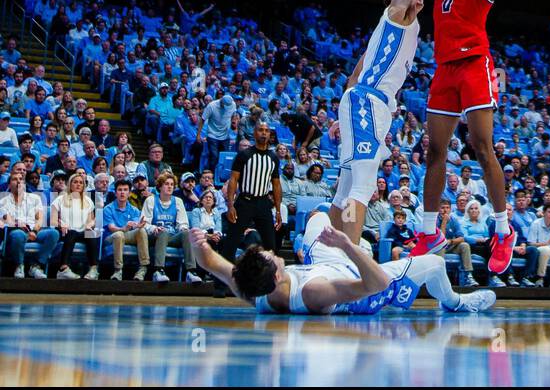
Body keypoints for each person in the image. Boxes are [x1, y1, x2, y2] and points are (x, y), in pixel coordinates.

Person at [393, 0, 550, 278]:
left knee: (482, 146)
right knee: (435, 151)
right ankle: (428, 232)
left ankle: (503, 230)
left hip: (473, 66)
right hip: (445, 69)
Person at [325, 0, 448, 246]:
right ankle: (350, 266)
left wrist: (342, 116)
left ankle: (327, 255)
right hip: (367, 101)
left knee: (346, 190)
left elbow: (354, 74)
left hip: (371, 107)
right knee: (363, 186)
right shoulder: (396, 9)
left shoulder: (400, 30)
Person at [189, 211, 495, 316]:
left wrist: (198, 243)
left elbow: (211, 263)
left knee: (318, 218)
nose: (269, 252)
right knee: (434, 265)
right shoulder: (314, 293)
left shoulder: (251, 287)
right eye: (269, 258)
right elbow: (377, 283)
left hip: (324, 265)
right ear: (278, 275)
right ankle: (456, 302)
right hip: (366, 287)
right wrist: (349, 246)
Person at [219, 121, 282, 260]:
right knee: (232, 241)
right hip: (244, 201)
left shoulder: (273, 158)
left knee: (270, 244)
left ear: (270, 134)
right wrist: (230, 205)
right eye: (260, 130)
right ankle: (222, 280)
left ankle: (270, 277)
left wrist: (278, 210)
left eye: (266, 130)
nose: (264, 133)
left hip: (263, 202)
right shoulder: (244, 155)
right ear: (254, 133)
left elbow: (276, 185)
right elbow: (233, 180)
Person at [140, 172, 200, 282]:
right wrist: (154, 228)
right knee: (163, 232)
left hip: (172, 236)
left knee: (187, 233)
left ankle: (190, 272)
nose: (170, 186)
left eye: (172, 184)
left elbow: (183, 223)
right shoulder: (151, 200)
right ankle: (159, 270)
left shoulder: (178, 201)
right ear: (160, 186)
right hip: (155, 236)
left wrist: (183, 228)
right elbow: (144, 223)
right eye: (166, 184)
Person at [1, 166, 59, 278]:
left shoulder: (35, 198)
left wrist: (34, 232)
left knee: (53, 233)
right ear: (9, 185)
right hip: (17, 231)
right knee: (18, 235)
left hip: (35, 231)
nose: (18, 182)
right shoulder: (3, 201)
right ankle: (19, 265)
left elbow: (40, 218)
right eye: (14, 179)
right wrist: (20, 226)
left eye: (21, 180)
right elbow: (8, 220)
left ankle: (36, 266)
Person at [51, 170, 98, 279]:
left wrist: (90, 225)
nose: (78, 184)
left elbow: (92, 219)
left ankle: (93, 269)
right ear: (70, 184)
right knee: (72, 232)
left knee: (91, 234)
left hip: (82, 232)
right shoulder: (60, 199)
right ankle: (63, 269)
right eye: (75, 182)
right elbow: (53, 219)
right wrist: (60, 224)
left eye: (81, 182)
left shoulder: (88, 200)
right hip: (65, 231)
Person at [102, 178, 149, 280]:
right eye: (119, 190)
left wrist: (138, 226)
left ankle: (143, 268)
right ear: (115, 193)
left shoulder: (134, 210)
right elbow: (111, 228)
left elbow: (136, 224)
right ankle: (118, 270)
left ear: (129, 193)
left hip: (127, 235)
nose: (122, 192)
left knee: (141, 231)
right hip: (111, 237)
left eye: (125, 190)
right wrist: (123, 228)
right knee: (119, 234)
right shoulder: (108, 209)